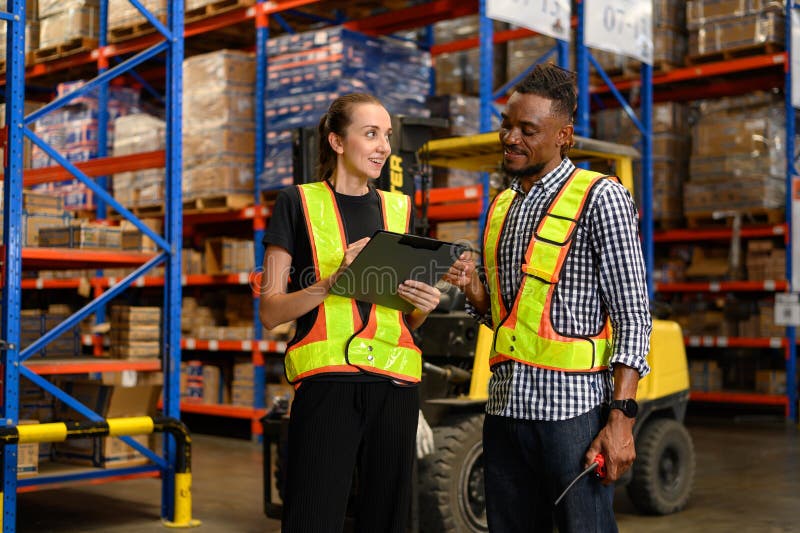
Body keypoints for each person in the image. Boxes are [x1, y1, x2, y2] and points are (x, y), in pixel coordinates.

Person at [443, 63, 651, 532]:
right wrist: (474, 289)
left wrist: (621, 420)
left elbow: (634, 317)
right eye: (507, 125)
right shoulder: (502, 206)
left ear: (564, 136)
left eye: (528, 130)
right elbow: (505, 320)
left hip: (571, 416)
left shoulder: (601, 197)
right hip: (504, 411)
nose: (511, 138)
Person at [259, 93, 441, 533]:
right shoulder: (296, 203)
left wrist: (423, 307)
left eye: (388, 136)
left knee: (387, 520)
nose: (383, 147)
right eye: (371, 134)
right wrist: (332, 278)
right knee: (313, 517)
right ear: (338, 142)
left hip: (394, 385)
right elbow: (269, 311)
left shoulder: (399, 209)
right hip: (329, 386)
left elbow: (399, 318)